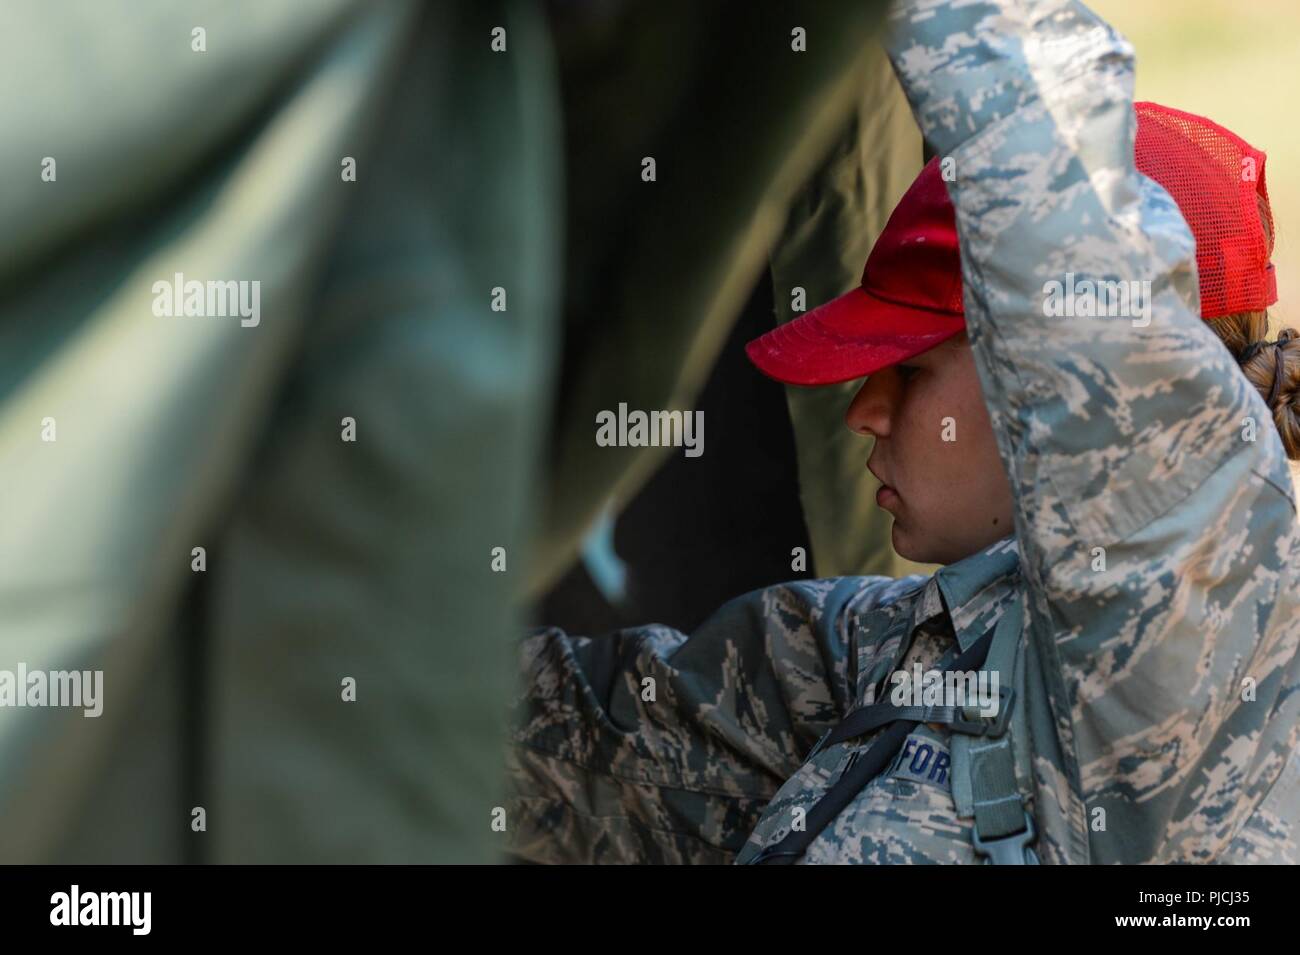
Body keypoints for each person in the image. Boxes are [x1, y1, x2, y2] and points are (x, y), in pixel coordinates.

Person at [504, 0, 1299, 864]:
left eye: (911, 371)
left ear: (1056, 389)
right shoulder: (900, 643)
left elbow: (1085, 295)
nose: (862, 411)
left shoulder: (1187, 644)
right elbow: (584, 739)